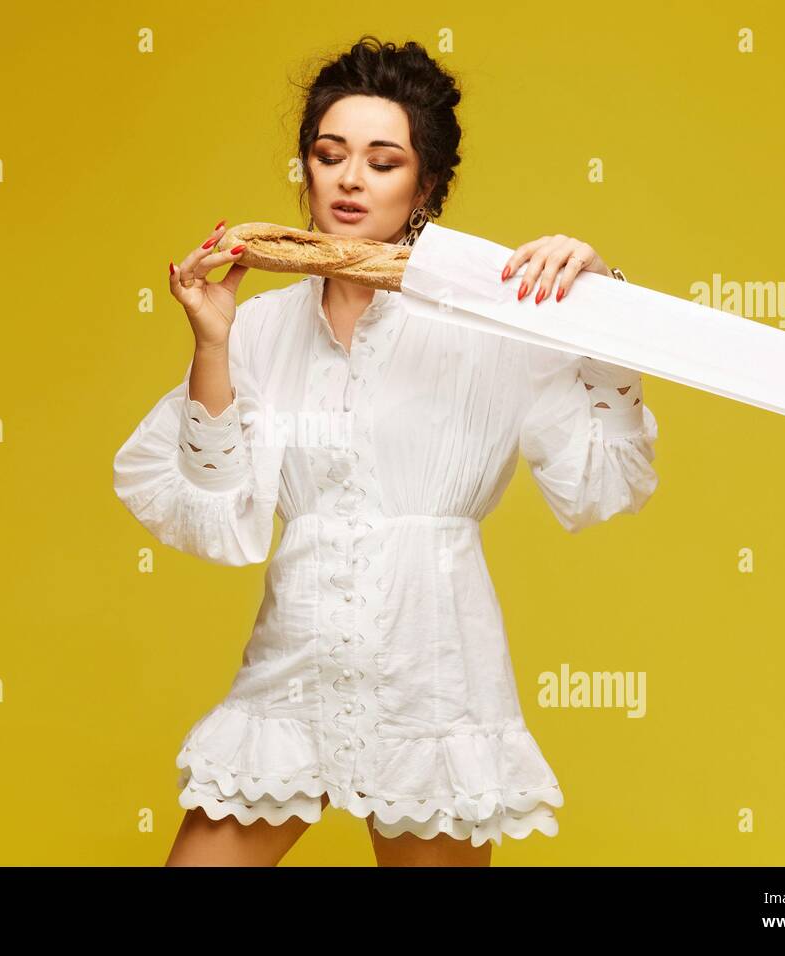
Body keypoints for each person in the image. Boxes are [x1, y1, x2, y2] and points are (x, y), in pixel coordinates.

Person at [113, 36, 658, 867]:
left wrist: (600, 305)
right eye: (328, 155)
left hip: (434, 666)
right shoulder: (257, 324)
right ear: (305, 168)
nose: (350, 179)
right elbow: (214, 513)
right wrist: (213, 345)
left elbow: (601, 482)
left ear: (426, 183)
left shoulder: (494, 321)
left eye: (383, 159)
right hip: (295, 662)